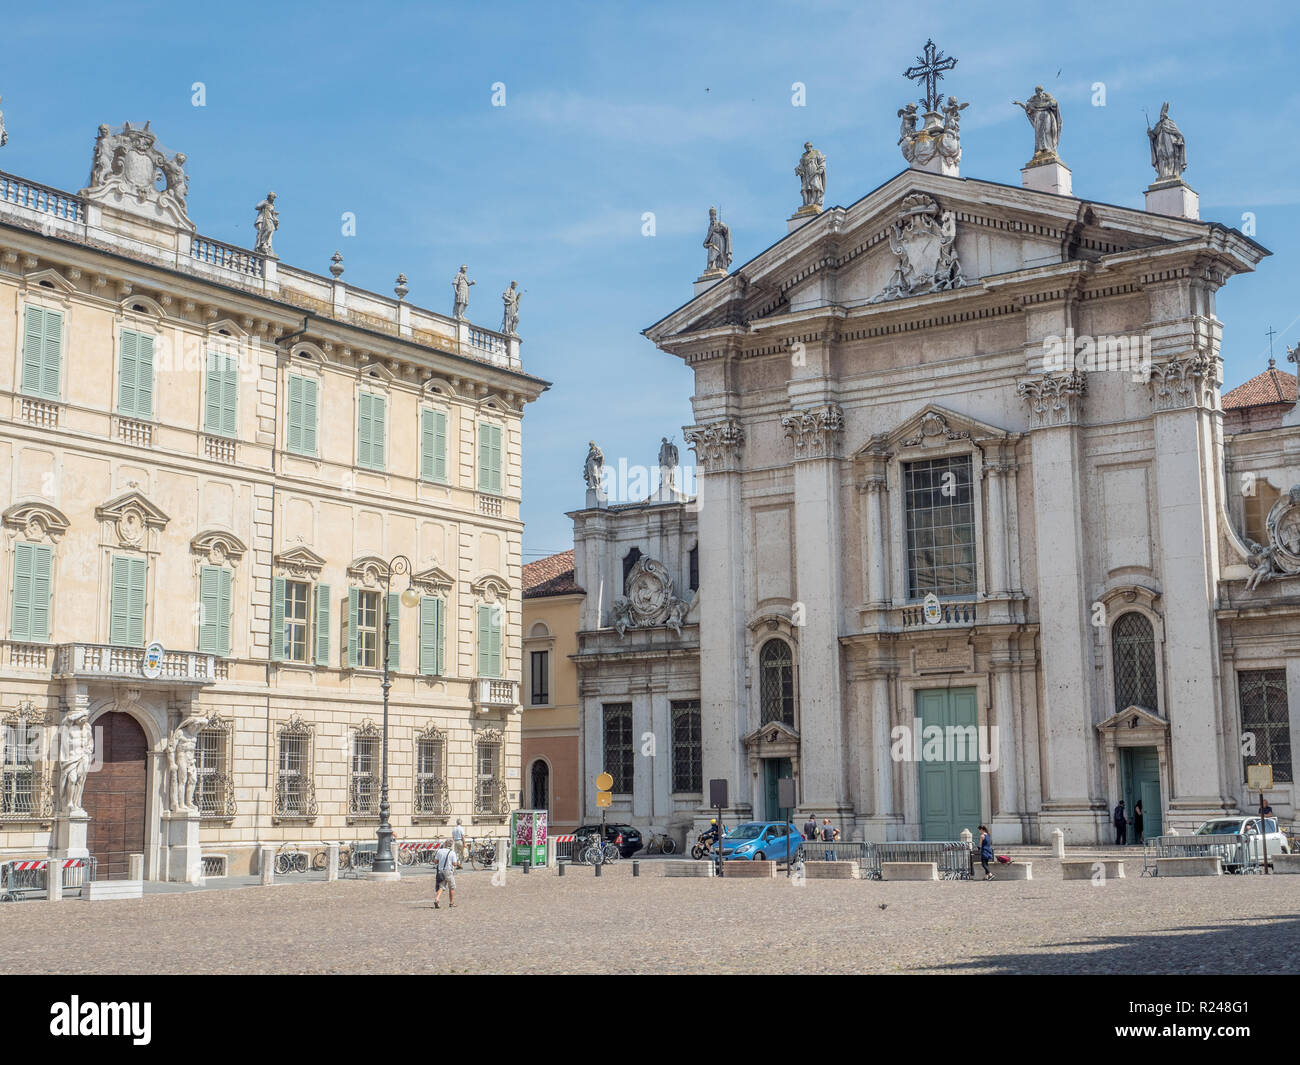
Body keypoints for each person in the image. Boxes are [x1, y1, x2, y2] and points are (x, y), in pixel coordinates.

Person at [433, 838, 461, 909]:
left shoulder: (439, 851)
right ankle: (451, 903)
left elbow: (435, 861)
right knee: (451, 887)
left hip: (440, 871)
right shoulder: (452, 852)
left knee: (441, 887)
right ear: (451, 845)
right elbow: (454, 864)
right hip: (448, 871)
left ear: (445, 844)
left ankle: (437, 899)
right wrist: (458, 865)